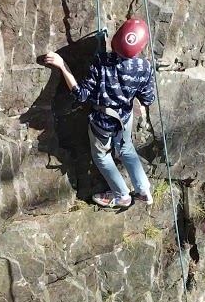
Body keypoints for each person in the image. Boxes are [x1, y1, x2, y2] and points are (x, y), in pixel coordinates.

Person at [42, 19, 155, 208]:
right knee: (127, 150)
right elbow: (148, 99)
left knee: (102, 156)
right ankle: (143, 189)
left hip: (102, 123)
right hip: (124, 119)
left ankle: (122, 196)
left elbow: (81, 94)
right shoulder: (144, 67)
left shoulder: (102, 62)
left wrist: (63, 65)